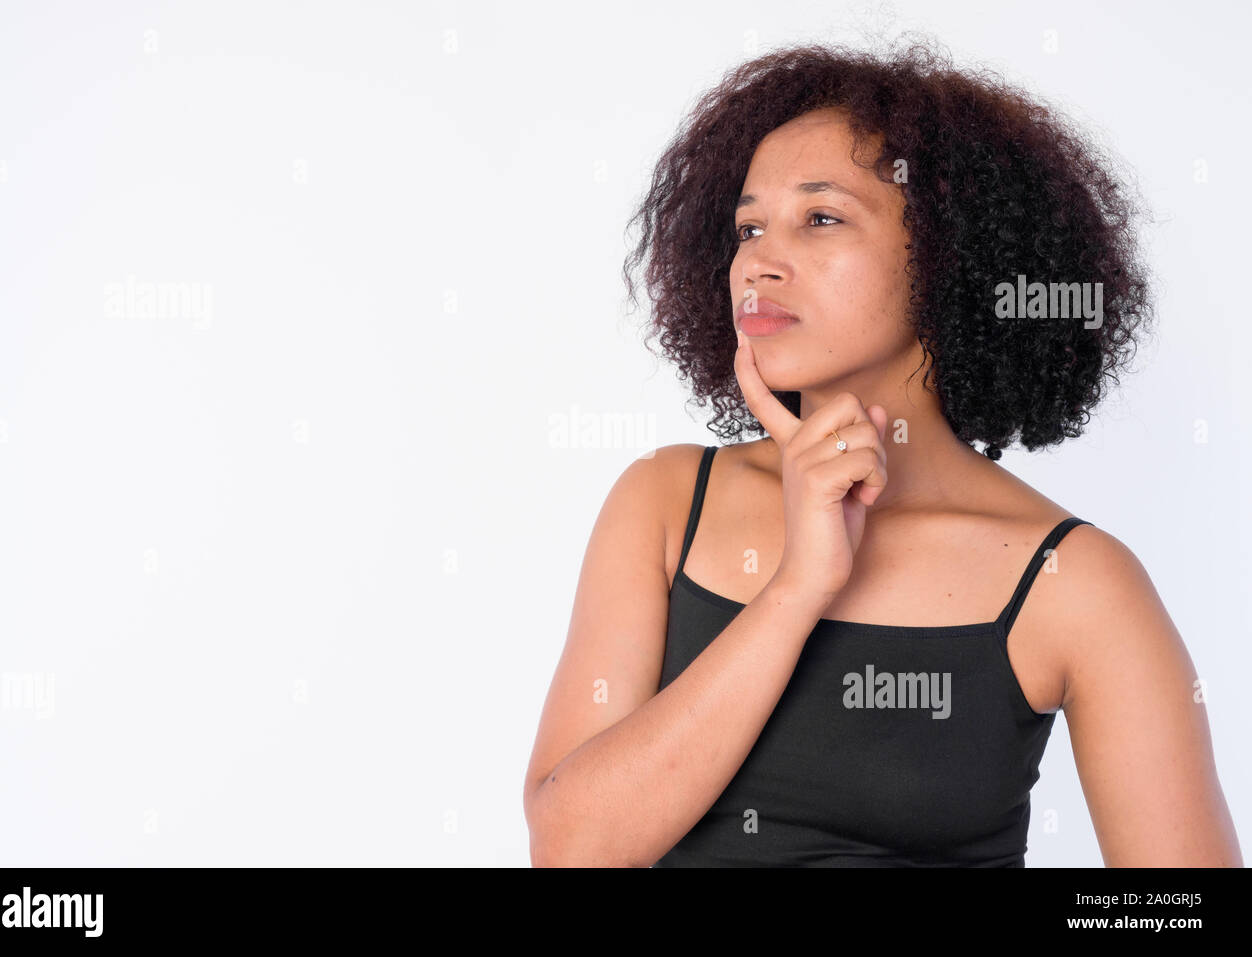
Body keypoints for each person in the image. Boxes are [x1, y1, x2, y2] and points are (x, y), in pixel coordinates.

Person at [522, 38, 1242, 867]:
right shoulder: (662, 502)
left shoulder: (1074, 582)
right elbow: (570, 848)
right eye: (748, 226)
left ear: (946, 257)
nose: (759, 259)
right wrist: (799, 586)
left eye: (820, 217)